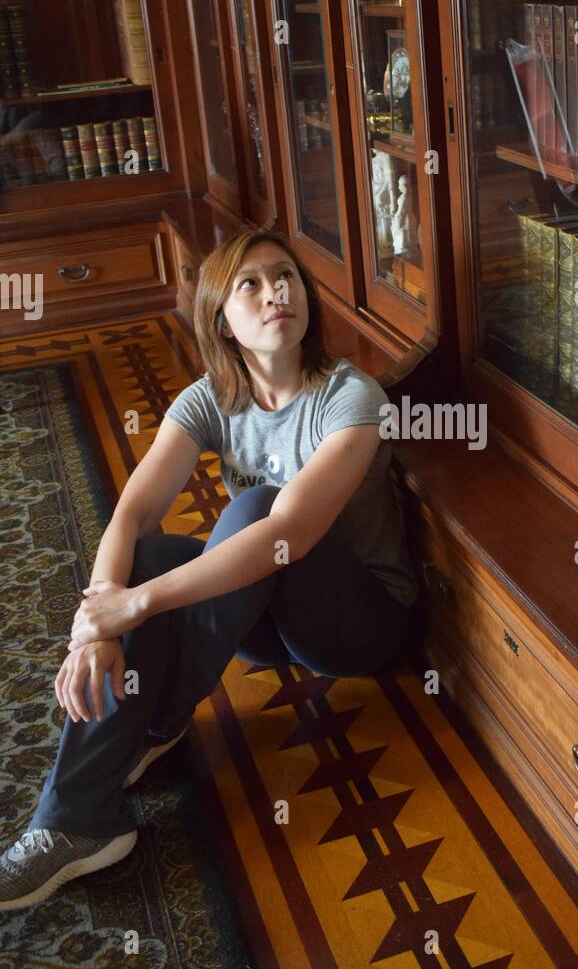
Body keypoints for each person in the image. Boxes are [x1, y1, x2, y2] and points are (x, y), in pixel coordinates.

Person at [0, 224, 418, 911]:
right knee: (155, 551)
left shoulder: (353, 398)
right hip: (264, 623)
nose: (274, 292)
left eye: (285, 276)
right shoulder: (209, 399)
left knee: (255, 510)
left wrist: (136, 607)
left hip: (357, 625)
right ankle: (78, 820)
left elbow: (288, 532)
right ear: (221, 321)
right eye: (248, 284)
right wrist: (95, 628)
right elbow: (131, 516)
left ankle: (149, 728)